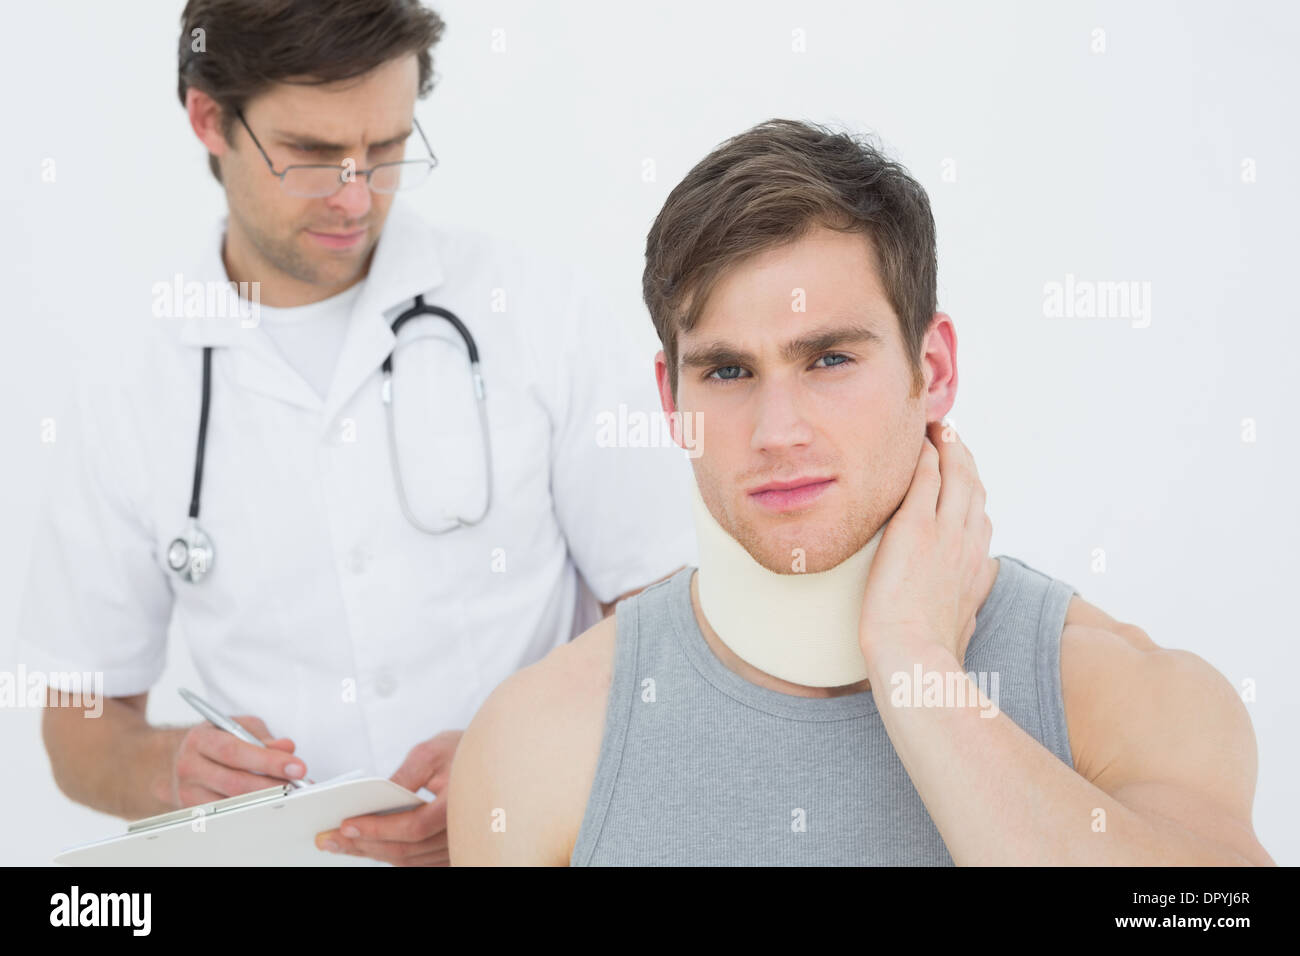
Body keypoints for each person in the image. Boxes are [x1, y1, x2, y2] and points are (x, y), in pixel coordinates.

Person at [446, 119, 1275, 866]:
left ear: (935, 369)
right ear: (672, 402)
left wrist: (917, 668)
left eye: (830, 359)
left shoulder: (1123, 696)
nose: (778, 430)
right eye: (727, 371)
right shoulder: (539, 740)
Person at [20, 0, 693, 867]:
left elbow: (668, 619)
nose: (354, 195)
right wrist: (166, 769)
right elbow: (78, 723)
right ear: (208, 119)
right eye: (309, 155)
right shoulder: (129, 387)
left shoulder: (537, 312)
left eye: (386, 150)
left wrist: (524, 755)